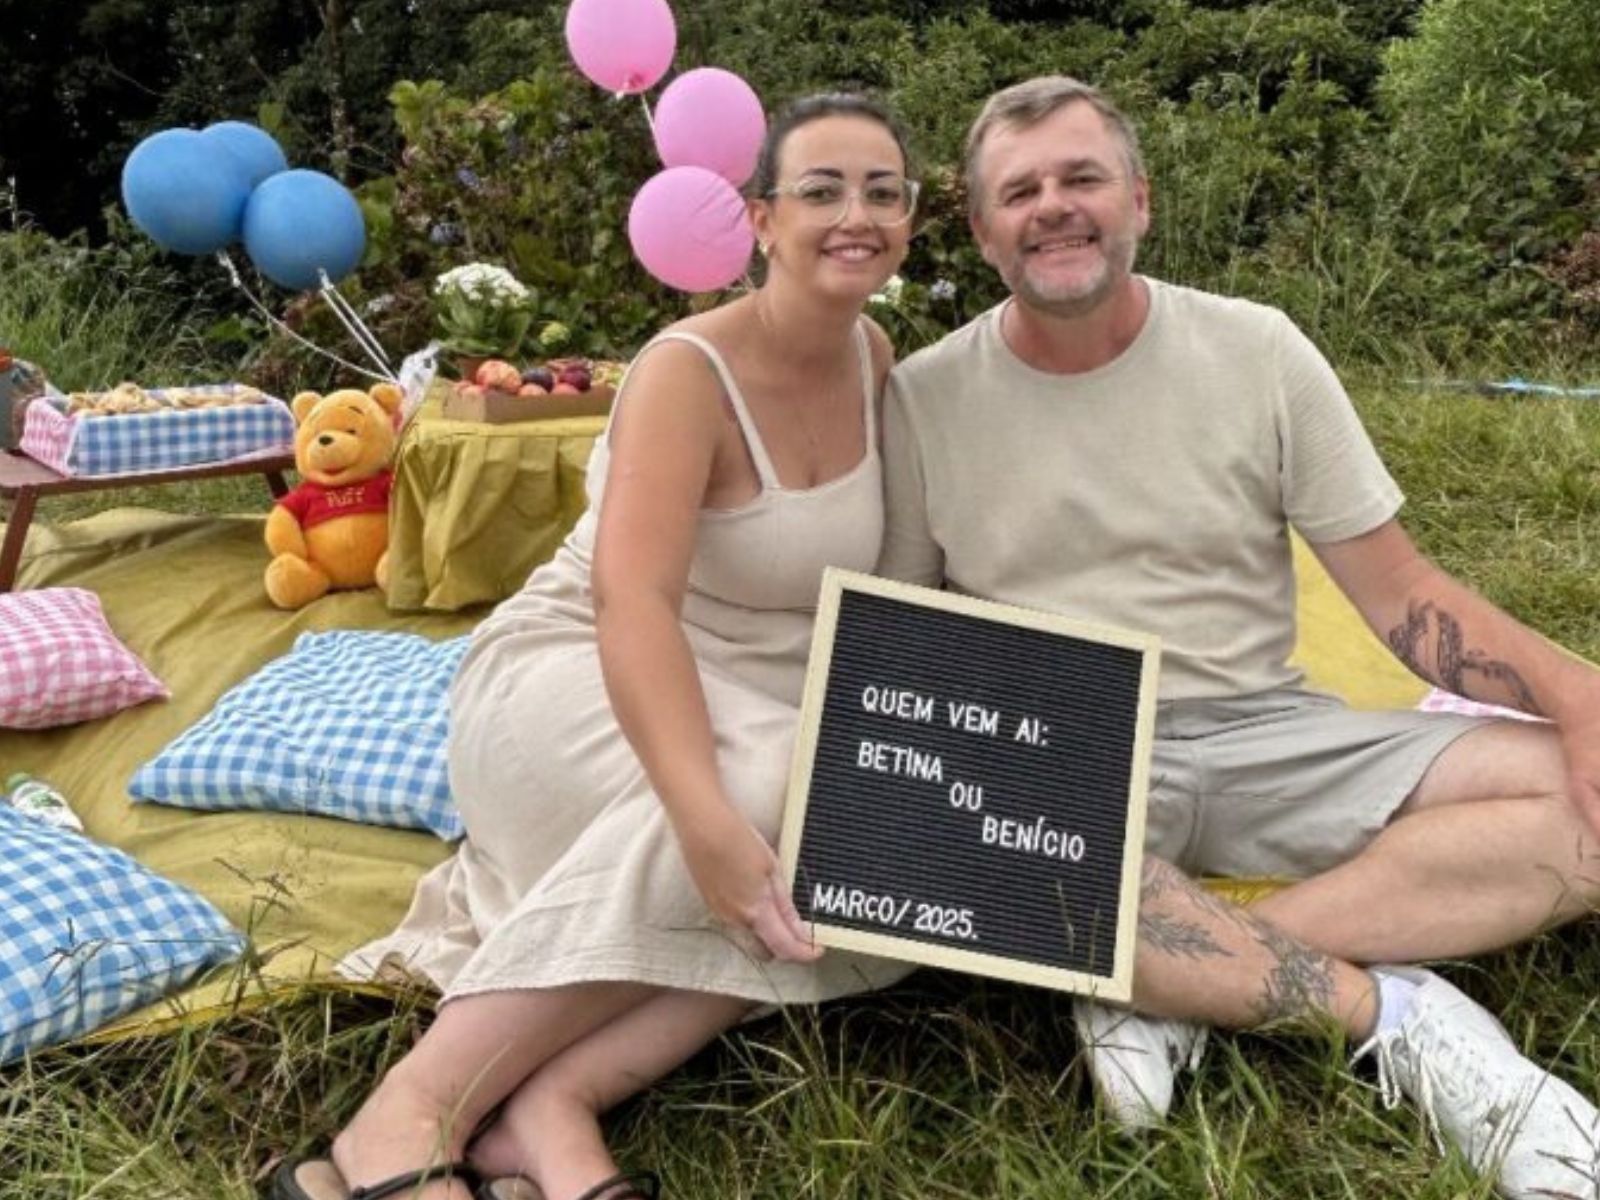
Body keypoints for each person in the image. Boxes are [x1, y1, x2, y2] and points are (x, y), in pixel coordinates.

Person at [878, 75, 1600, 1199]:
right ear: (979, 230)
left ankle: (1169, 978)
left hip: (1272, 732)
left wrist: (1580, 696)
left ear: (1140, 201)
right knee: (940, 838)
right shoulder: (920, 399)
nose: (1054, 206)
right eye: (1019, 190)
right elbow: (906, 643)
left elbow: (1403, 593)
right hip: (1066, 753)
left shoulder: (1256, 349)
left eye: (1082, 177)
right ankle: (1402, 1019)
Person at [273, 93, 918, 1200]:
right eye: (820, 190)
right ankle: (408, 1114)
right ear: (760, 219)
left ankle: (550, 1105)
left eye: (882, 191)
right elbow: (632, 606)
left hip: (754, 685)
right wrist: (706, 818)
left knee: (881, 833)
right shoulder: (685, 372)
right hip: (576, 671)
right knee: (763, 798)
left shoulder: (872, 351)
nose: (854, 214)